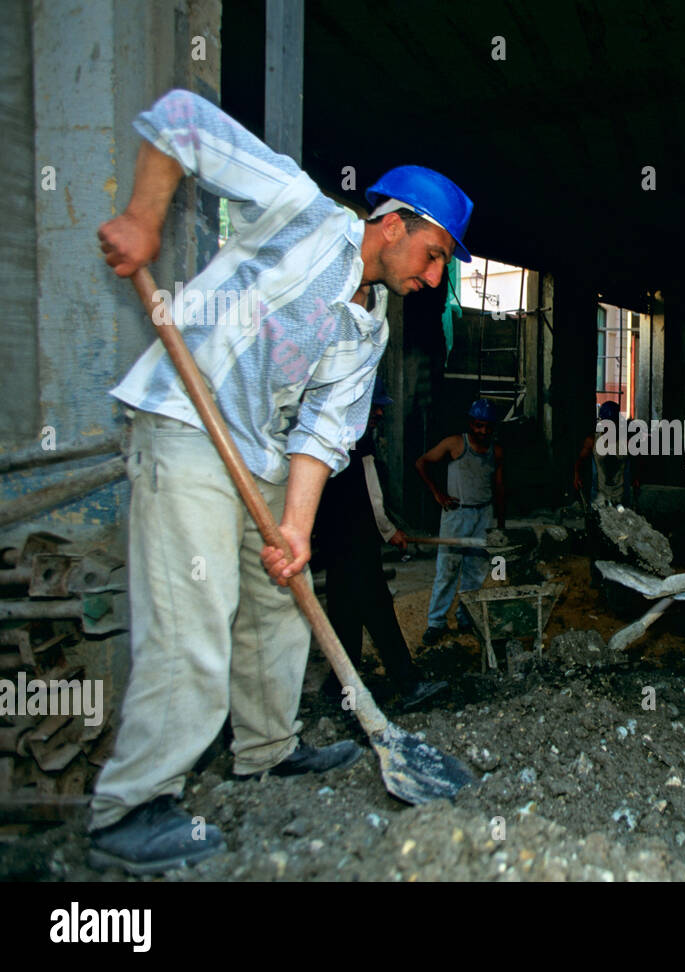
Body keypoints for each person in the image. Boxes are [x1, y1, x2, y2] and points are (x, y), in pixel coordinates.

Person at [90, 88, 473, 874]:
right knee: (193, 612)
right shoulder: (302, 211)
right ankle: (132, 804)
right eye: (433, 255)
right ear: (392, 225)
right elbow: (180, 121)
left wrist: (296, 528)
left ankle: (267, 747)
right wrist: (145, 219)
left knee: (277, 599)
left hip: (259, 453)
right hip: (190, 423)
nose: (435, 278)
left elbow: (325, 432)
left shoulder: (368, 329)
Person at [313, 376, 446, 711]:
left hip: (334, 543)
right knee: (378, 610)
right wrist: (389, 531)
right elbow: (373, 498)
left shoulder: (327, 436)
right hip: (358, 543)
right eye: (375, 408)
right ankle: (409, 682)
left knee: (344, 611)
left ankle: (337, 685)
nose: (380, 415)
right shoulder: (362, 443)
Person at [416, 399, 506, 645]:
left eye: (488, 426)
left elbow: (499, 488)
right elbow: (421, 462)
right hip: (457, 514)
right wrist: (438, 494)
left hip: (483, 515)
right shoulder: (455, 444)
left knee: (475, 572)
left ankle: (466, 617)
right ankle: (436, 622)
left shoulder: (495, 452)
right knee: (447, 570)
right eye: (479, 426)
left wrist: (500, 525)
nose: (483, 431)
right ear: (471, 424)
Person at [573, 400, 637, 508]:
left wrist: (636, 478)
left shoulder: (627, 442)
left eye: (612, 422)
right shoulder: (593, 441)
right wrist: (576, 476)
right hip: (599, 497)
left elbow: (636, 461)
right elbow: (580, 459)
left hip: (621, 498)